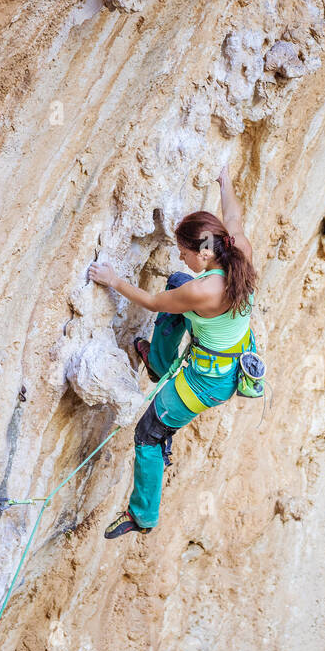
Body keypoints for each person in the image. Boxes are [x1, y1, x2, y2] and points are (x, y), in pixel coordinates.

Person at [87, 164, 257, 538]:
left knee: (147, 434)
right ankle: (159, 363)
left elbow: (150, 301)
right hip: (230, 351)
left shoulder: (203, 291)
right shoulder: (239, 250)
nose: (182, 259)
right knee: (178, 282)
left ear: (205, 254)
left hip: (206, 381)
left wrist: (113, 279)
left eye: (184, 253)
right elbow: (234, 216)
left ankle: (143, 516)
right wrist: (225, 180)